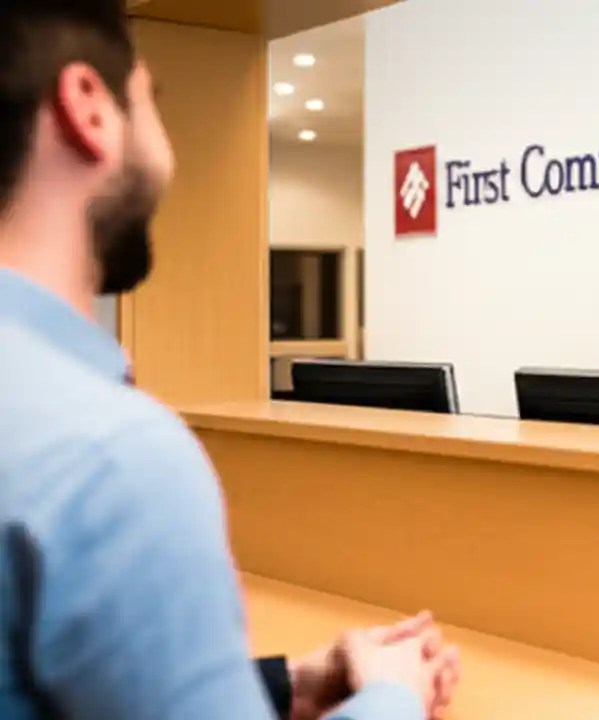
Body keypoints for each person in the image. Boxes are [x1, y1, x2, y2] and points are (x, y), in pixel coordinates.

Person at [0, 1, 459, 718]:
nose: (170, 148)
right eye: (154, 103)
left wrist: (285, 686)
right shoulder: (110, 458)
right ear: (88, 109)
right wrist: (394, 696)